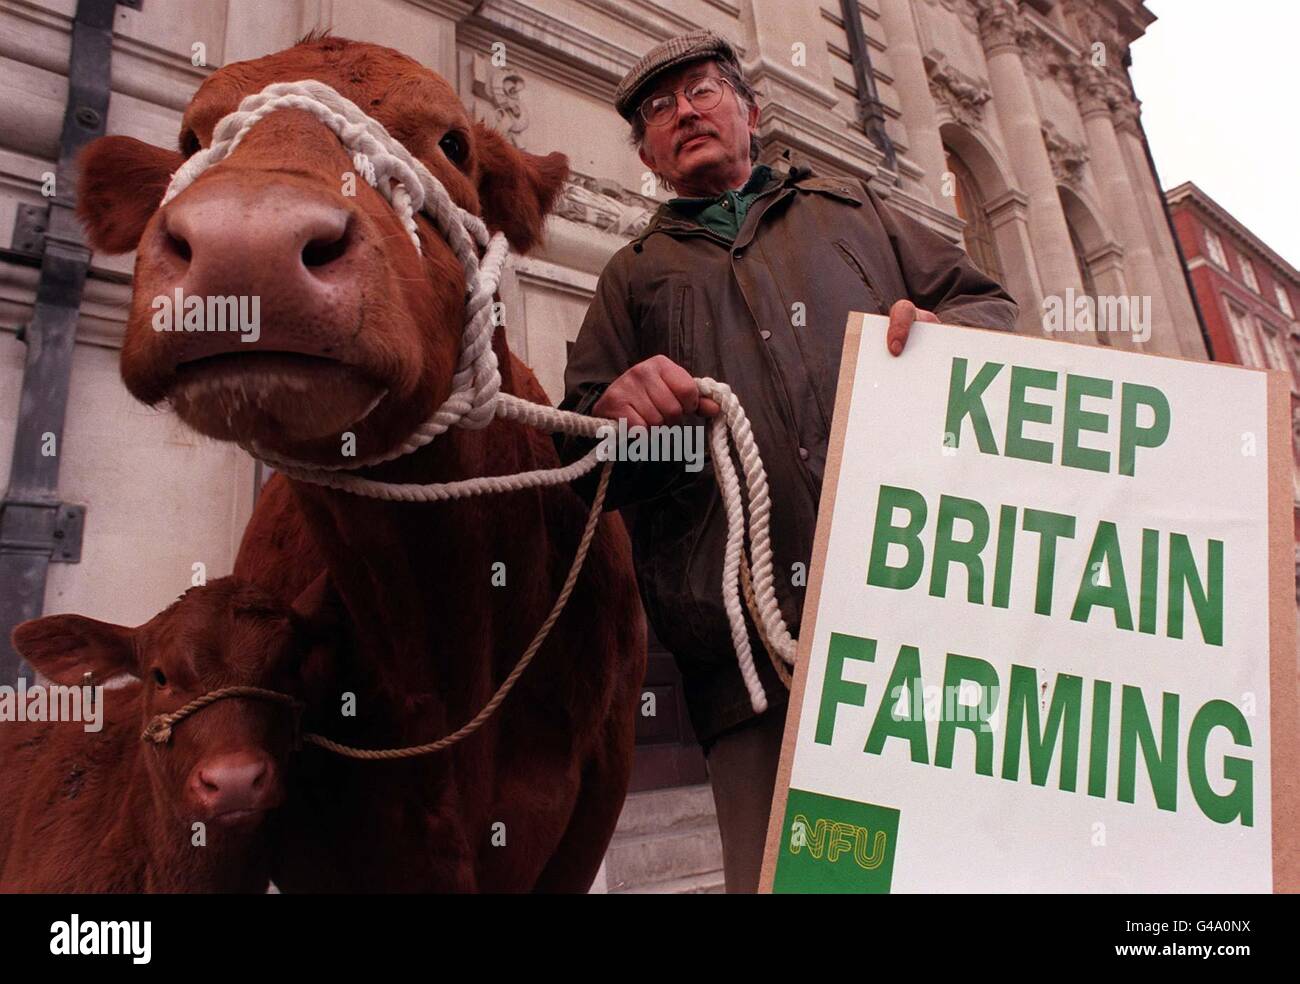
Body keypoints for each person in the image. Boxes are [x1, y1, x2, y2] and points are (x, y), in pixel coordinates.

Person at [558, 30, 1019, 893]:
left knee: (970, 865)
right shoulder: (633, 276)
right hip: (755, 674)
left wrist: (944, 341)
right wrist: (618, 414)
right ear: (649, 158)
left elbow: (989, 306)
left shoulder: (856, 213)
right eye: (658, 110)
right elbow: (583, 462)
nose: (684, 112)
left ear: (751, 111)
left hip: (917, 622)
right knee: (814, 883)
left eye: (702, 91)